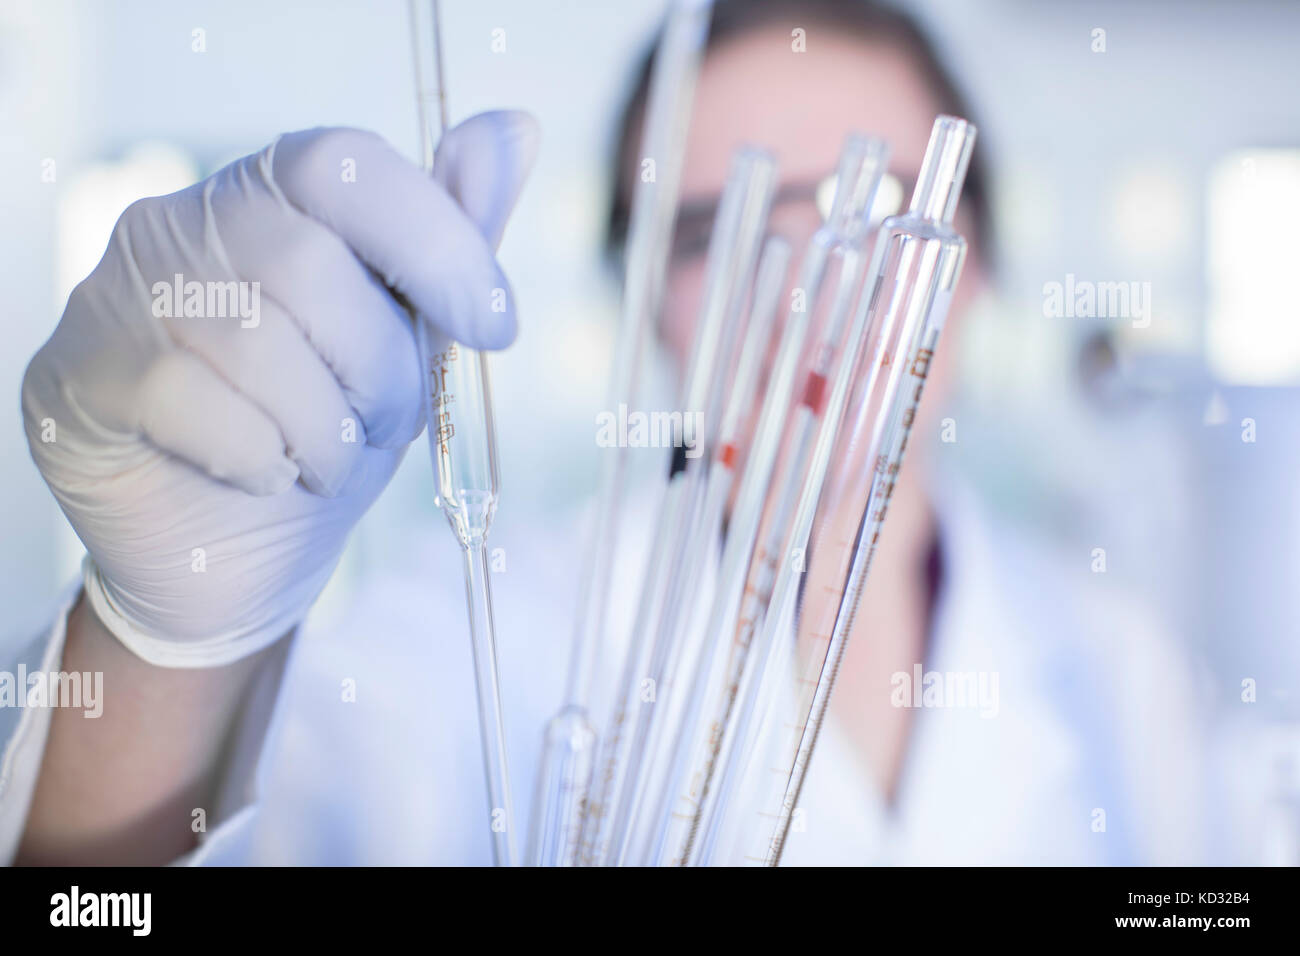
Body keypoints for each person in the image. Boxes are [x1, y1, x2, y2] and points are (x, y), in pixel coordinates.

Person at [3, 0, 1206, 866]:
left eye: (882, 216)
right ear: (645, 303)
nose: (801, 294)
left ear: (974, 263)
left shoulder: (1126, 663)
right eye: (710, 236)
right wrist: (156, 640)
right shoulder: (467, 637)